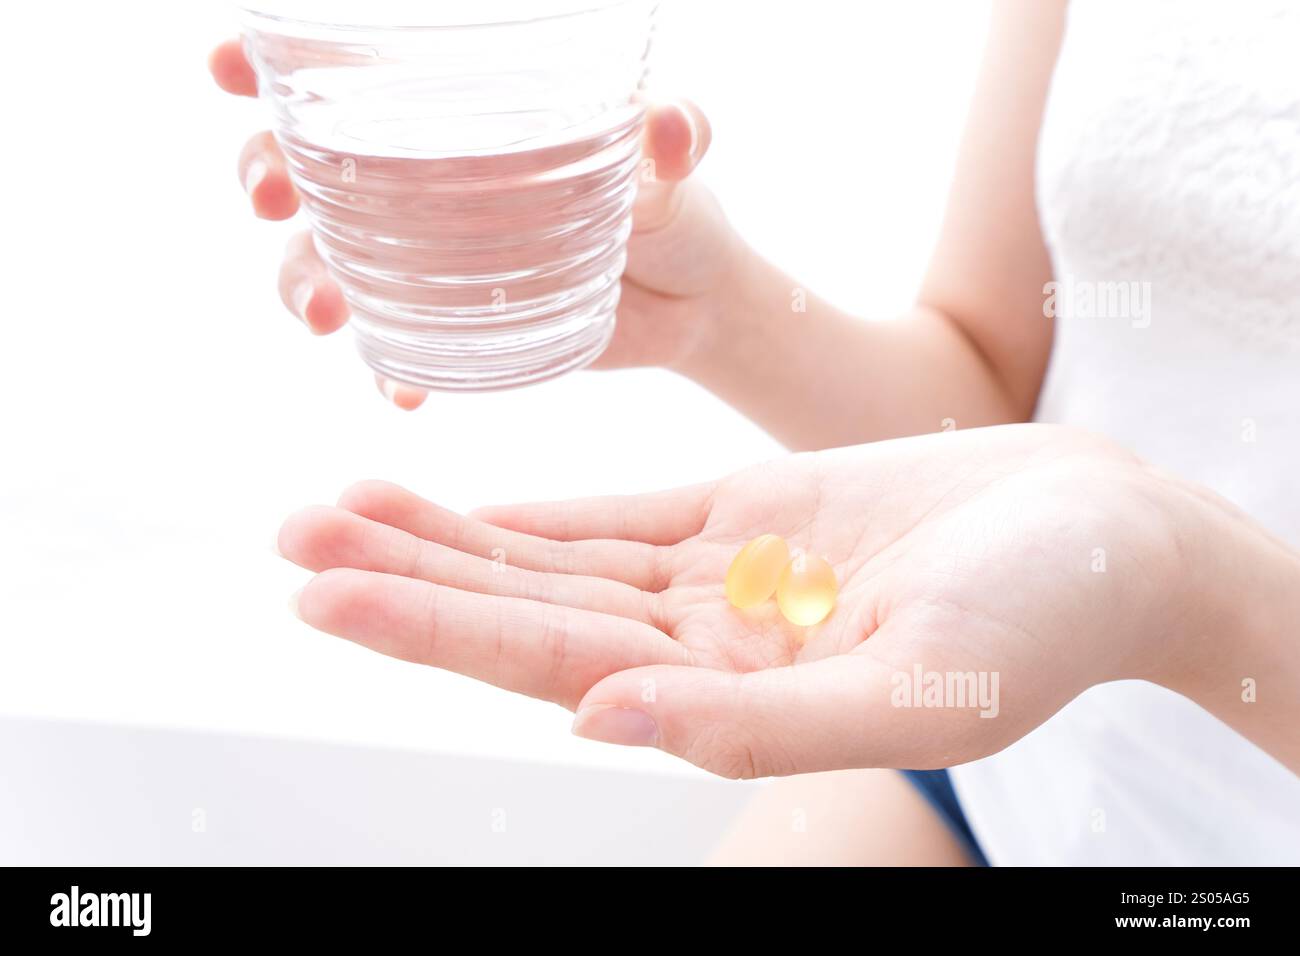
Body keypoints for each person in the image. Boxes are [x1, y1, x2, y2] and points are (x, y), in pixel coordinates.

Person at [210, 0, 1300, 865]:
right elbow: (987, 396)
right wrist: (714, 313)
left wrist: (1183, 586)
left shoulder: (1161, 581)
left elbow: (1139, 559)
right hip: (1036, 759)